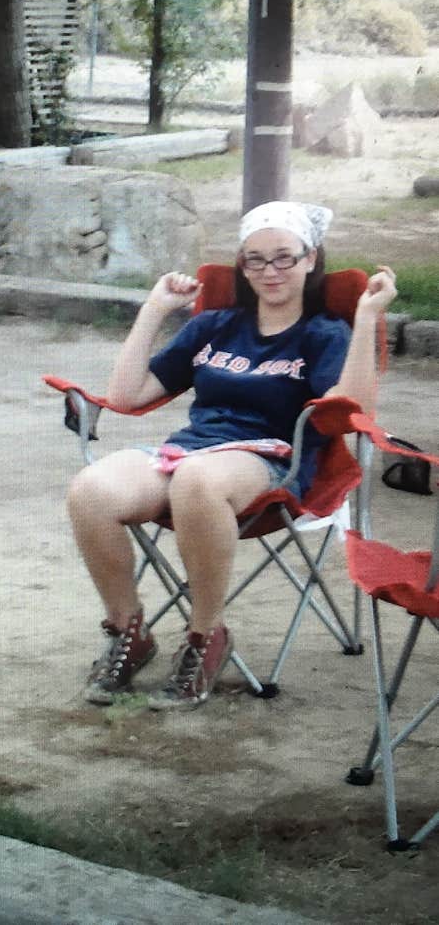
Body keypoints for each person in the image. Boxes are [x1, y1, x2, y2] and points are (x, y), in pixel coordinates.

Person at [67, 200, 397, 710]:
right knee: (91, 490)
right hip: (193, 450)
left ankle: (205, 638)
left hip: (275, 460)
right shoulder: (214, 326)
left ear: (311, 259)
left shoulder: (324, 333)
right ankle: (129, 632)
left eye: (284, 257)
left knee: (196, 480)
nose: (270, 271)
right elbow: (129, 394)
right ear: (242, 266)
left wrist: (365, 318)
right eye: (256, 259)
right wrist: (154, 310)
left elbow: (353, 411)